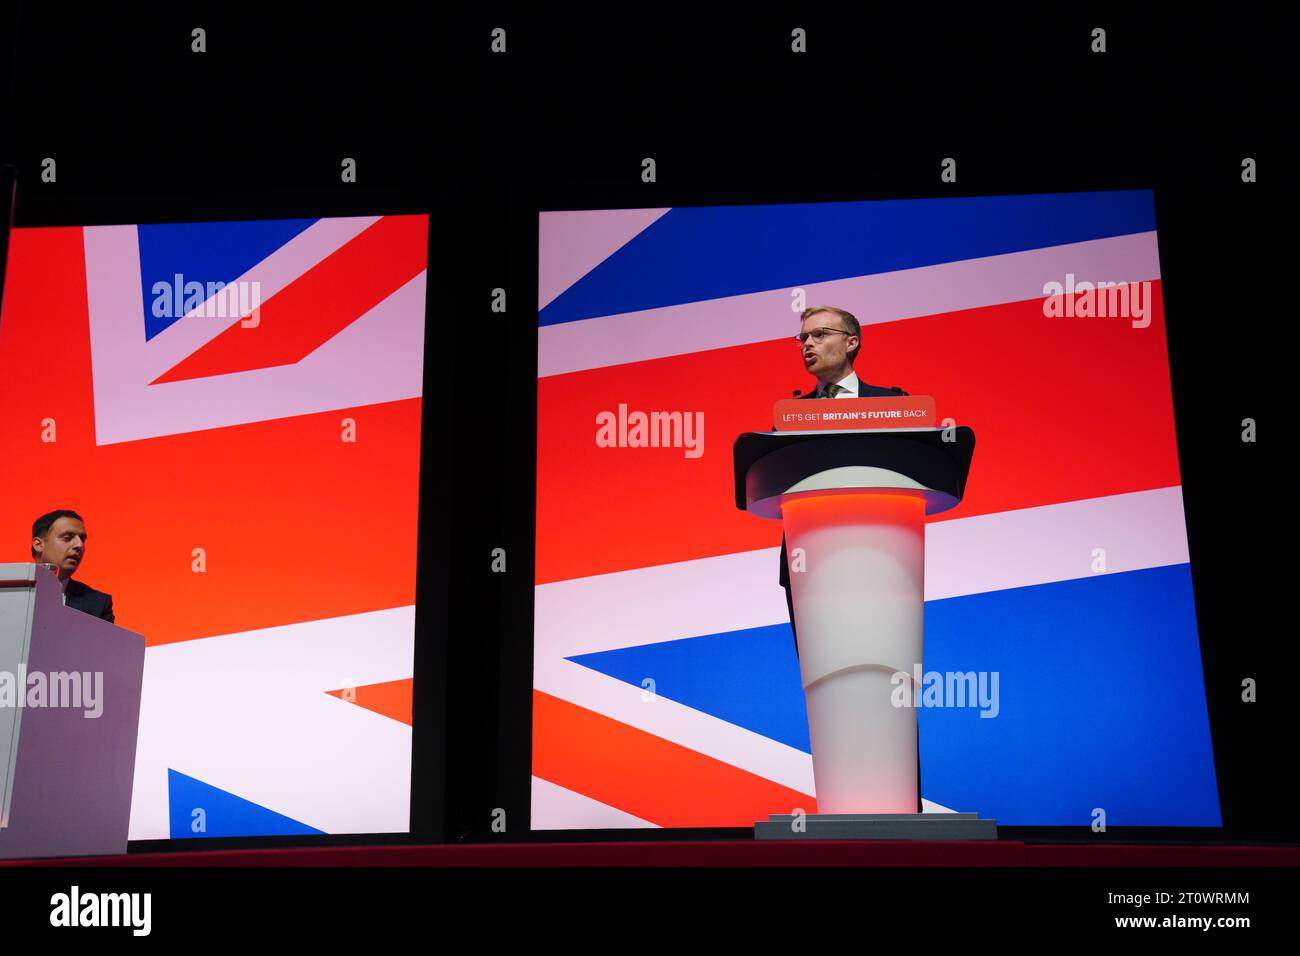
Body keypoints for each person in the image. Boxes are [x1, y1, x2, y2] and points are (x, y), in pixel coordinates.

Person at [780, 306, 908, 656]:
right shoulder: (790, 418)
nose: (807, 343)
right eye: (802, 337)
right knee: (826, 679)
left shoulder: (894, 405)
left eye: (819, 335)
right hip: (809, 561)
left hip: (883, 557)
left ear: (851, 342)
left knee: (886, 670)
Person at [30, 508, 115, 622]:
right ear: (39, 545)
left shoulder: (98, 604)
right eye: (67, 538)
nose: (79, 545)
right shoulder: (6, 589)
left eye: (82, 539)